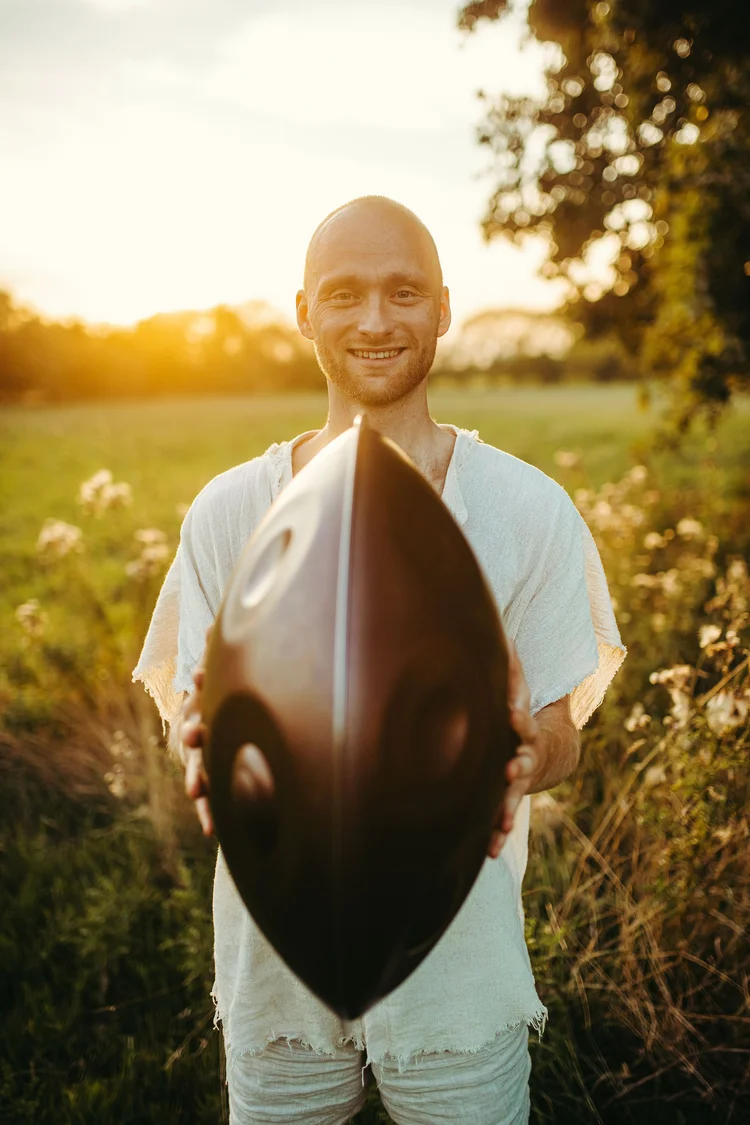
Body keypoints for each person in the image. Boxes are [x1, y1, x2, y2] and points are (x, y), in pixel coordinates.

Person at [133, 195, 626, 1124]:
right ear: (304, 311)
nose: (373, 320)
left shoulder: (528, 508)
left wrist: (527, 752)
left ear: (444, 308)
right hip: (273, 967)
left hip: (457, 968)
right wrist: (202, 752)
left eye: (403, 293)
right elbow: (197, 729)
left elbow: (562, 732)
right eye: (344, 293)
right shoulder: (230, 512)